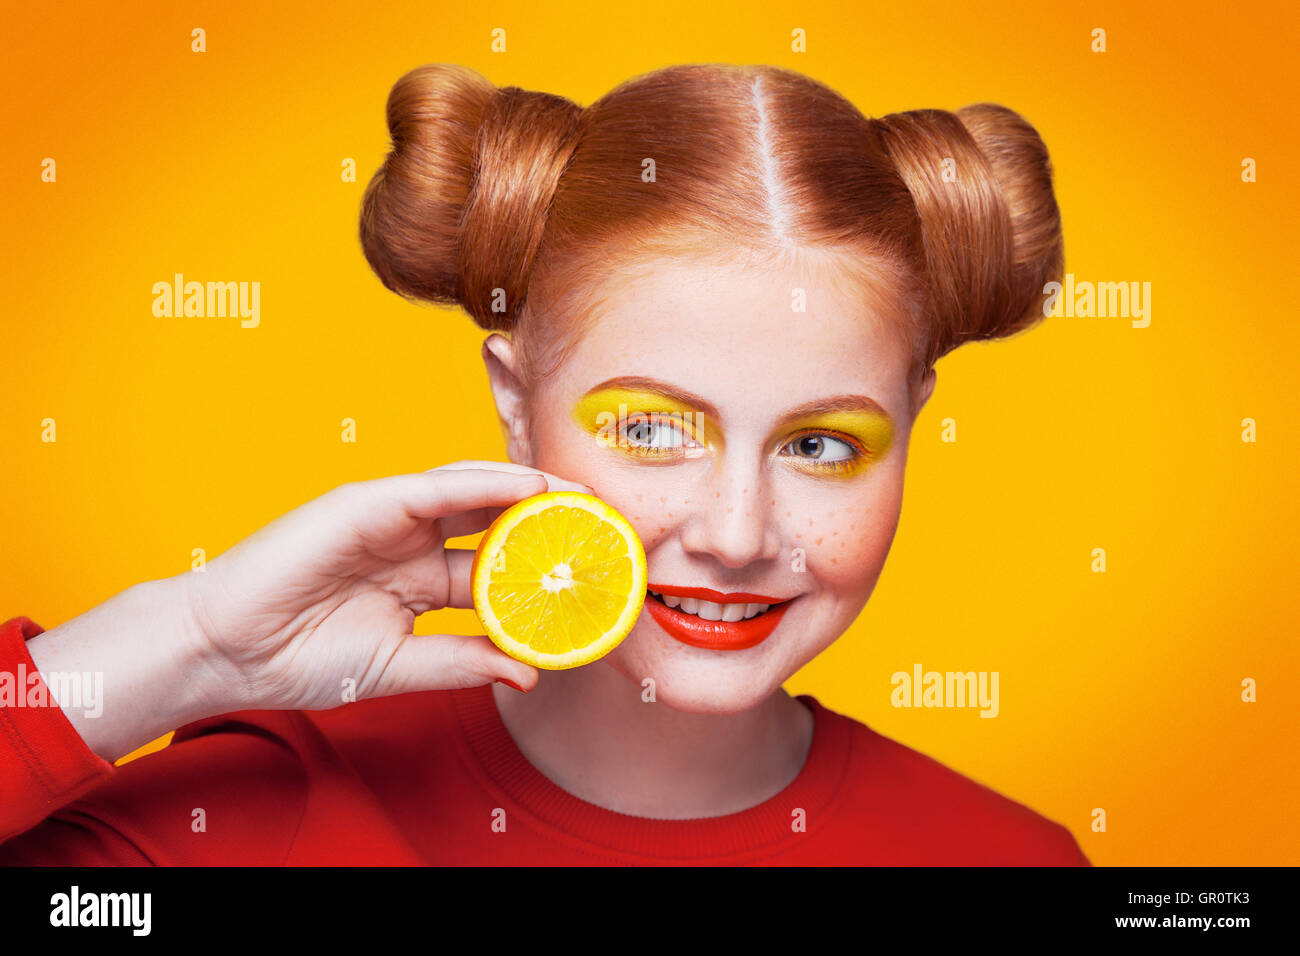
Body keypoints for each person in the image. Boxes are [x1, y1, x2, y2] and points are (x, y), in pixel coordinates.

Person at [0, 63, 1088, 865]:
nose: (739, 533)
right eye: (654, 429)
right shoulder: (249, 822)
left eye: (817, 444)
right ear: (516, 403)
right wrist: (186, 642)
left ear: (911, 419)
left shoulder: (1004, 856)